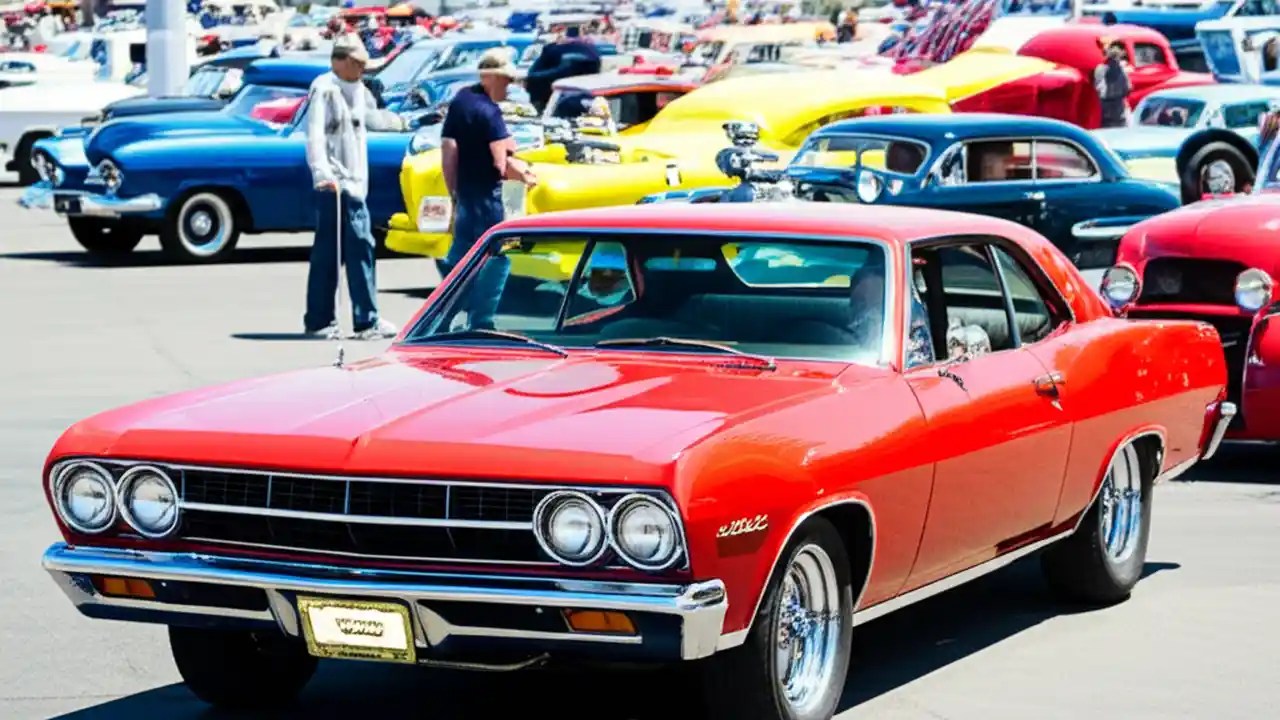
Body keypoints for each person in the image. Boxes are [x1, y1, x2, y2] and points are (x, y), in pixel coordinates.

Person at [303, 34, 407, 340]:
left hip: (354, 182)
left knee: (331, 251)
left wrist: (400, 121)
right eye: (358, 64)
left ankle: (320, 319)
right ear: (343, 62)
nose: (363, 71)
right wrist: (322, 173)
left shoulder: (359, 89)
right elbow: (315, 135)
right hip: (337, 184)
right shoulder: (324, 89)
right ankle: (366, 320)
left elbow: (373, 119)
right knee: (359, 247)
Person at [439, 48, 539, 331]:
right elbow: (500, 163)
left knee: (461, 258)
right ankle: (481, 320)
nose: (508, 88)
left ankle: (445, 315)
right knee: (498, 257)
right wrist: (524, 173)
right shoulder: (490, 112)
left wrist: (454, 192)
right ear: (490, 78)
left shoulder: (461, 100)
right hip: (488, 196)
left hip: (466, 195)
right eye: (506, 81)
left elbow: (449, 149)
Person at [525, 26, 602, 113]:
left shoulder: (552, 49)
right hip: (590, 102)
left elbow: (532, 75)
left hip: (549, 98)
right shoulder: (592, 51)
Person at [1095, 38, 1131, 128]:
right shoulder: (1121, 69)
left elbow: (1100, 90)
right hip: (1115, 111)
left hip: (1112, 111)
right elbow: (1127, 89)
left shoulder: (1102, 68)